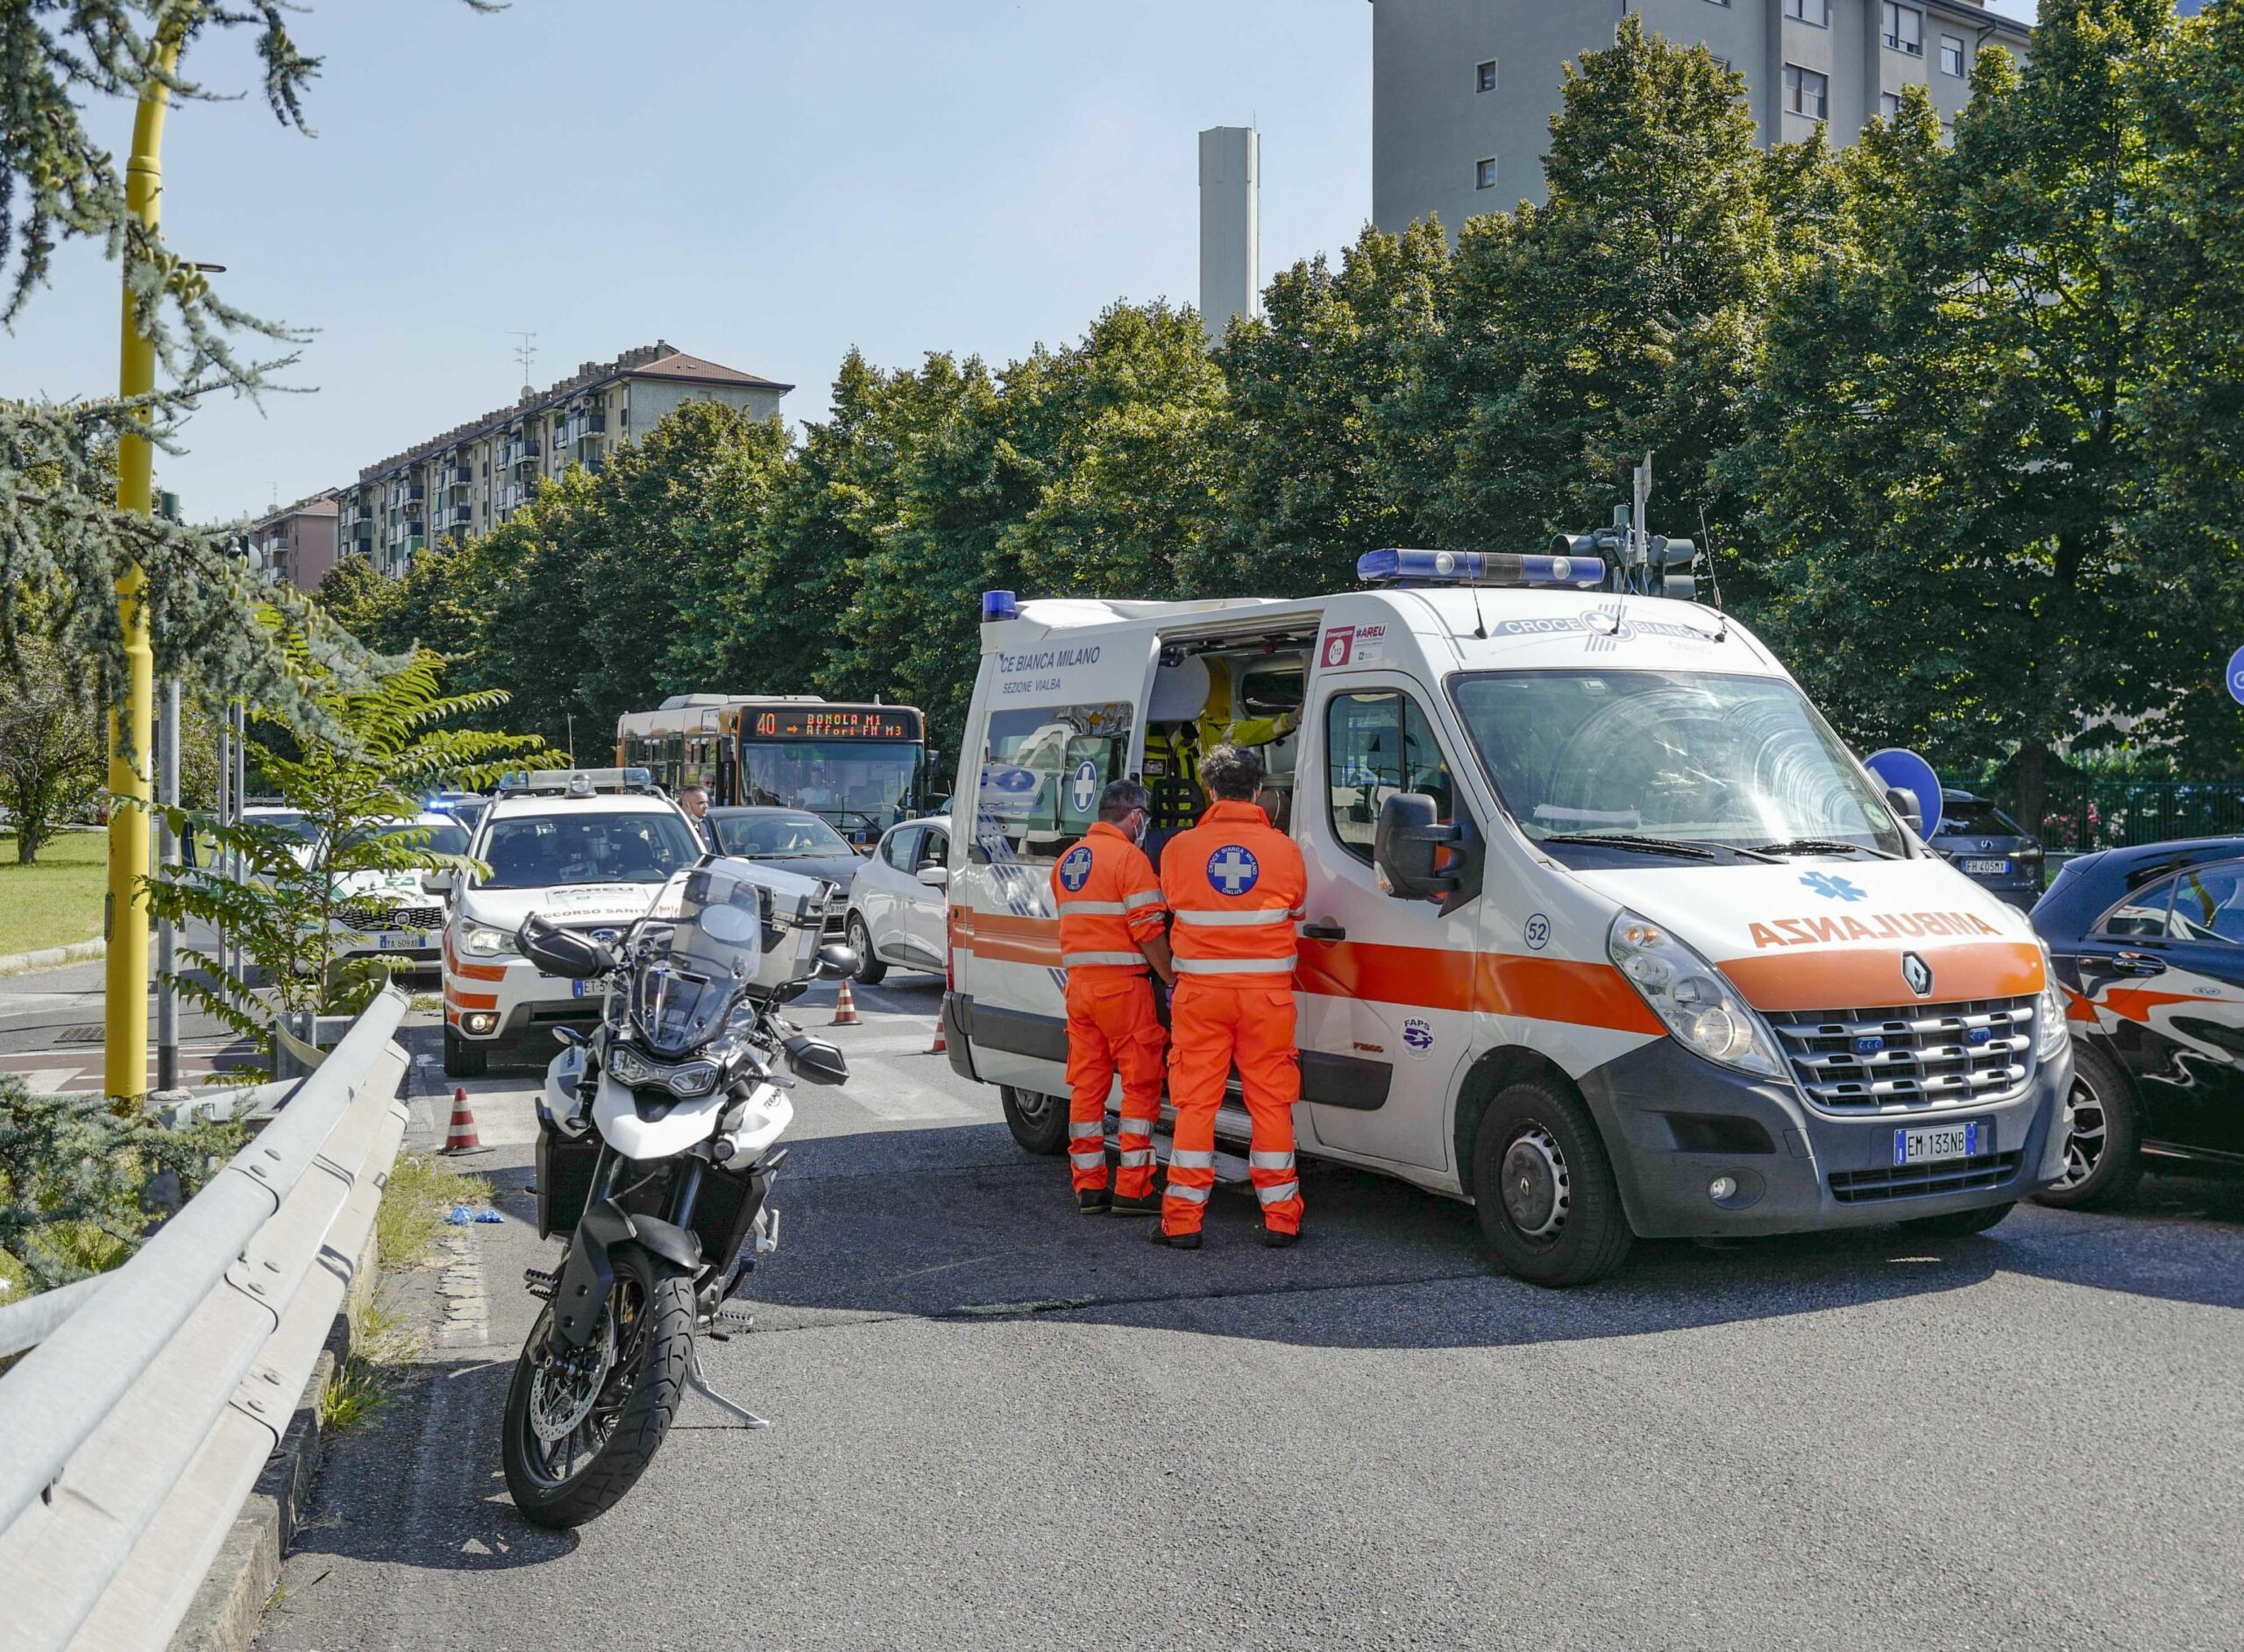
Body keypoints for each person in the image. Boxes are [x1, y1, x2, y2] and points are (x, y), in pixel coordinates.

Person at [1154, 744, 1307, 1249]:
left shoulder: (1179, 849)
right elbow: (1297, 906)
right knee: (1270, 1105)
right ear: (1259, 791)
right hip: (1267, 1002)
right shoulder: (1285, 850)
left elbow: (1173, 902)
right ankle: (1282, 1217)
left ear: (1210, 791)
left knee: (1196, 1105)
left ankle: (1182, 1222)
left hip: (1202, 999)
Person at [1048, 780, 1174, 1216]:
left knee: (1088, 1086)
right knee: (1140, 1085)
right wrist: (1171, 976)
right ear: (1136, 816)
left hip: (1079, 988)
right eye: (1146, 820)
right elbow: (1148, 929)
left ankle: (1088, 1186)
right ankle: (1134, 1188)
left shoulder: (1068, 860)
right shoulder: (1129, 858)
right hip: (1123, 988)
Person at [678, 783, 712, 849]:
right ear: (687, 806)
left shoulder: (704, 827)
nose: (706, 806)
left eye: (707, 802)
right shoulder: (676, 829)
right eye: (701, 803)